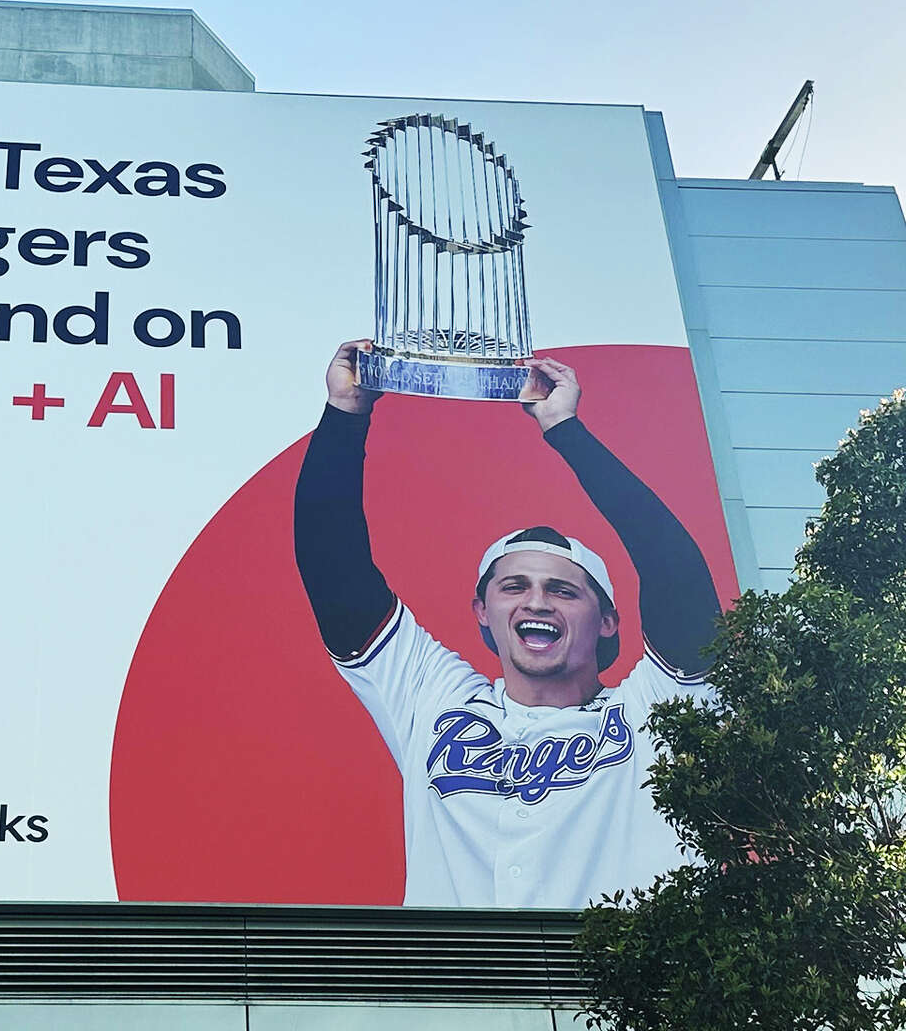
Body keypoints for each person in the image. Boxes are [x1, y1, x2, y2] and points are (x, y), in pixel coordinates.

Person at [293, 339, 721, 908]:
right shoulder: (434, 700)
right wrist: (345, 416)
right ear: (483, 612)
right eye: (513, 587)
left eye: (563, 590)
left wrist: (567, 431)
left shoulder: (653, 710)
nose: (537, 603)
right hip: (463, 997)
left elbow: (679, 577)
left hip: (627, 995)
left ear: (609, 621)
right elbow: (335, 571)